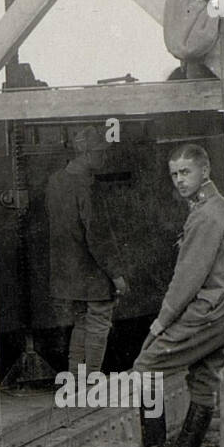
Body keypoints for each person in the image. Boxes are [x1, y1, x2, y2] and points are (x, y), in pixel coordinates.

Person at [120, 144, 224, 447]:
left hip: (208, 310)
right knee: (203, 378)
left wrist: (162, 320)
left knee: (147, 367)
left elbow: (187, 278)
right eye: (174, 174)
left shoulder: (205, 216)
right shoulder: (217, 206)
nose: (179, 180)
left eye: (186, 172)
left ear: (205, 171)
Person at [45, 126, 127, 376]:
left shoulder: (55, 181)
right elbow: (98, 236)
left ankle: (76, 380)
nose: (105, 158)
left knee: (81, 321)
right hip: (92, 270)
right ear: (87, 153)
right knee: (100, 321)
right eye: (101, 152)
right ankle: (92, 380)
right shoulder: (88, 187)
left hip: (67, 270)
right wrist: (116, 275)